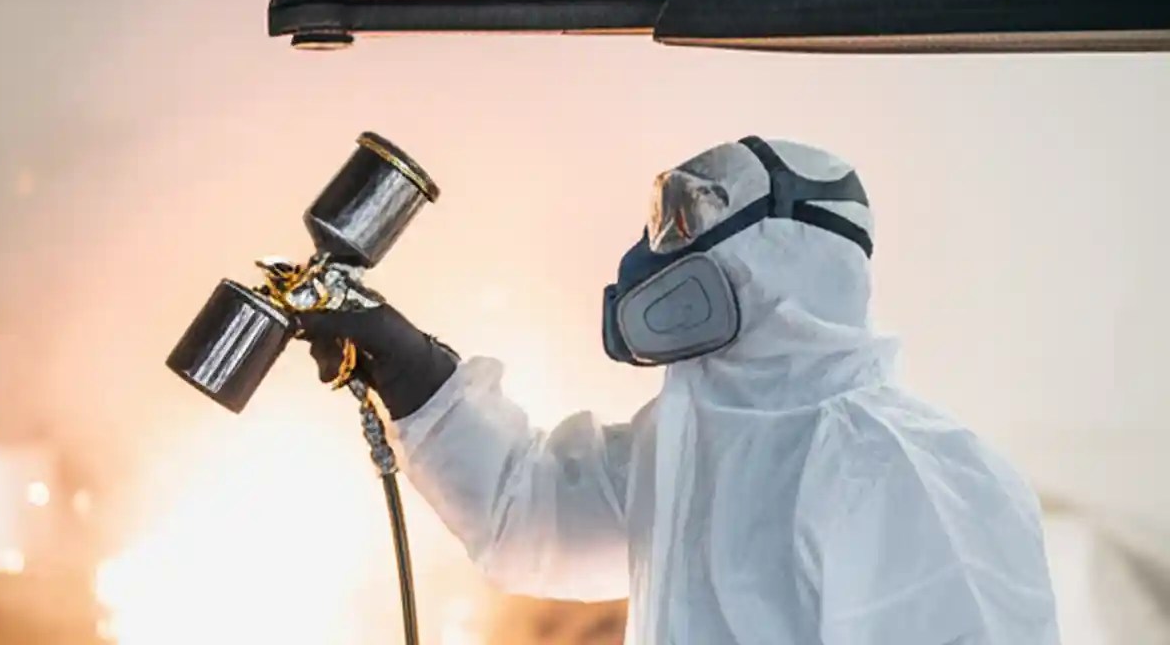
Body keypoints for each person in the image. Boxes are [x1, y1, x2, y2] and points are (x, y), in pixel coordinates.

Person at [297, 135, 1061, 645]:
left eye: (682, 220)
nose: (651, 254)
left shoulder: (903, 469)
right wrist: (413, 372)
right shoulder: (689, 446)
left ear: (783, 249)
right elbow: (522, 517)